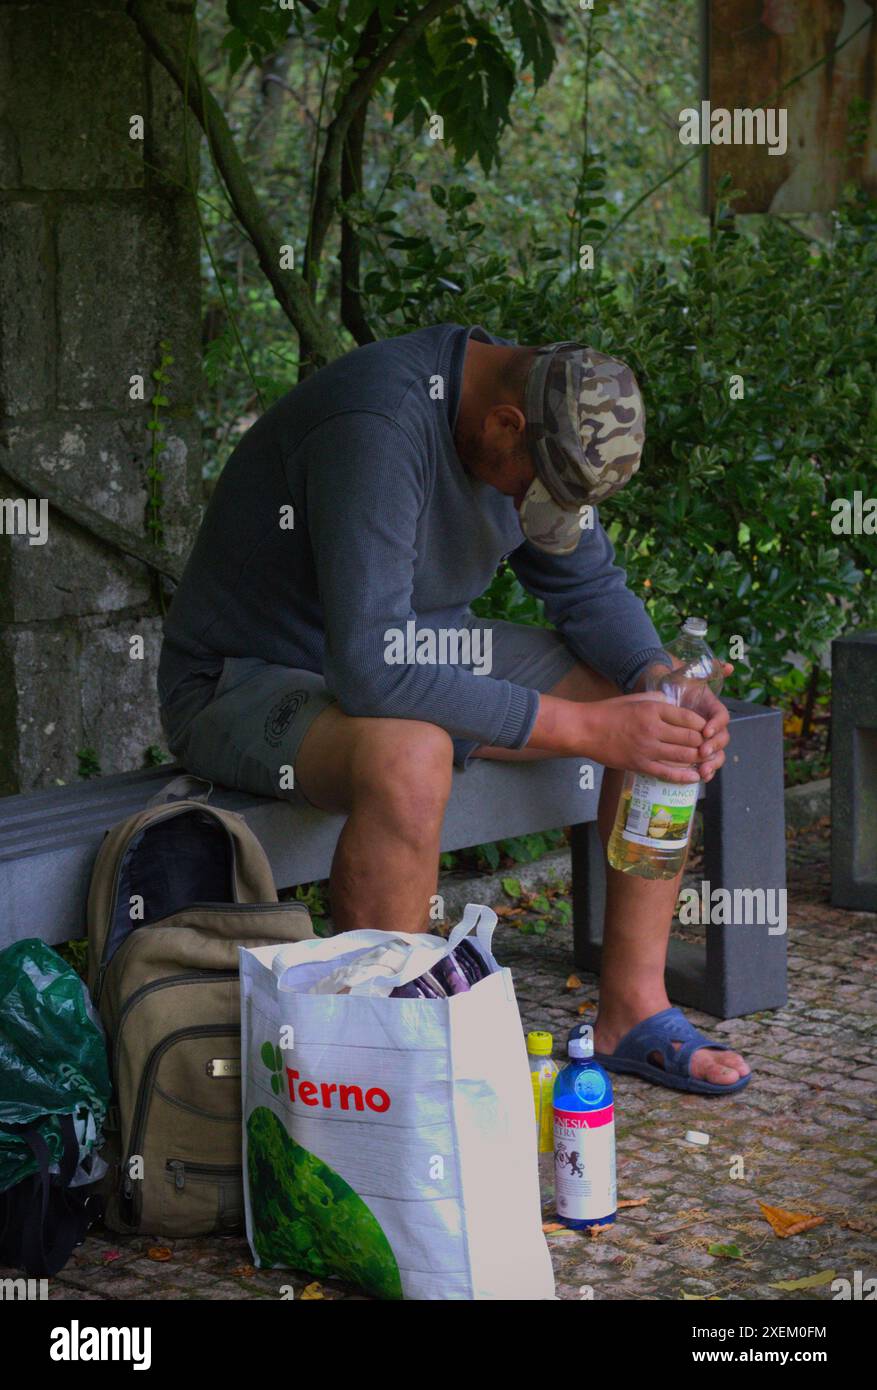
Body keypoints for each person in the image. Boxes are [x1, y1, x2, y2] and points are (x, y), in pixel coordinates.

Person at [158, 324, 750, 1096]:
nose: (519, 507)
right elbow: (372, 669)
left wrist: (656, 674)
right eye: (522, 491)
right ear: (504, 425)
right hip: (247, 679)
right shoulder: (376, 426)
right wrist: (586, 731)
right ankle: (377, 1069)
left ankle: (631, 1011)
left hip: (418, 650)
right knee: (410, 753)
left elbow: (587, 588)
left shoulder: (545, 427)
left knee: (650, 711)